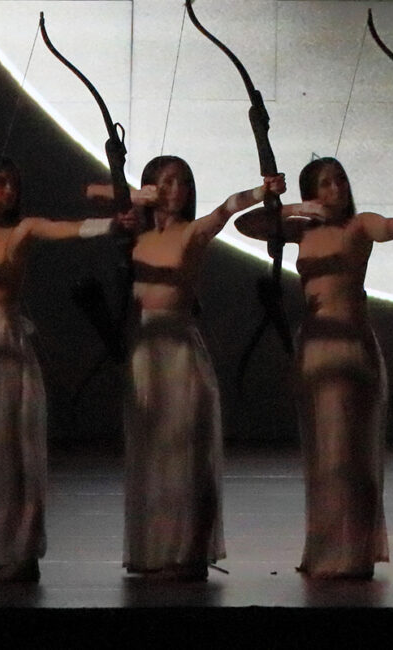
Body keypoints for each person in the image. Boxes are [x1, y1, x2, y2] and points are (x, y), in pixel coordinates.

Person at [237, 155, 393, 581]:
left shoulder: (359, 225)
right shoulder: (299, 230)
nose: (336, 189)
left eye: (340, 181)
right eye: (325, 184)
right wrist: (293, 207)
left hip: (352, 346)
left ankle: (352, 555)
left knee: (351, 452)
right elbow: (248, 225)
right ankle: (325, 551)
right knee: (323, 452)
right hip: (315, 346)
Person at [0, 154, 128, 582]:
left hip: (6, 338)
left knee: (10, 446)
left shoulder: (21, 229)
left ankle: (18, 551)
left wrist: (113, 225)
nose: (8, 191)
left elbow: (65, 230)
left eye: (13, 184)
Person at [118, 154, 281, 579]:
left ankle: (187, 554)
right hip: (146, 352)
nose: (177, 189)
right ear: (150, 188)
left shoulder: (193, 232)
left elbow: (227, 208)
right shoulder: (135, 238)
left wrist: (262, 192)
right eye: (167, 181)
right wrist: (130, 200)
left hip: (179, 352)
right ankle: (156, 552)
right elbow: (96, 197)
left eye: (183, 182)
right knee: (153, 456)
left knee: (183, 454)